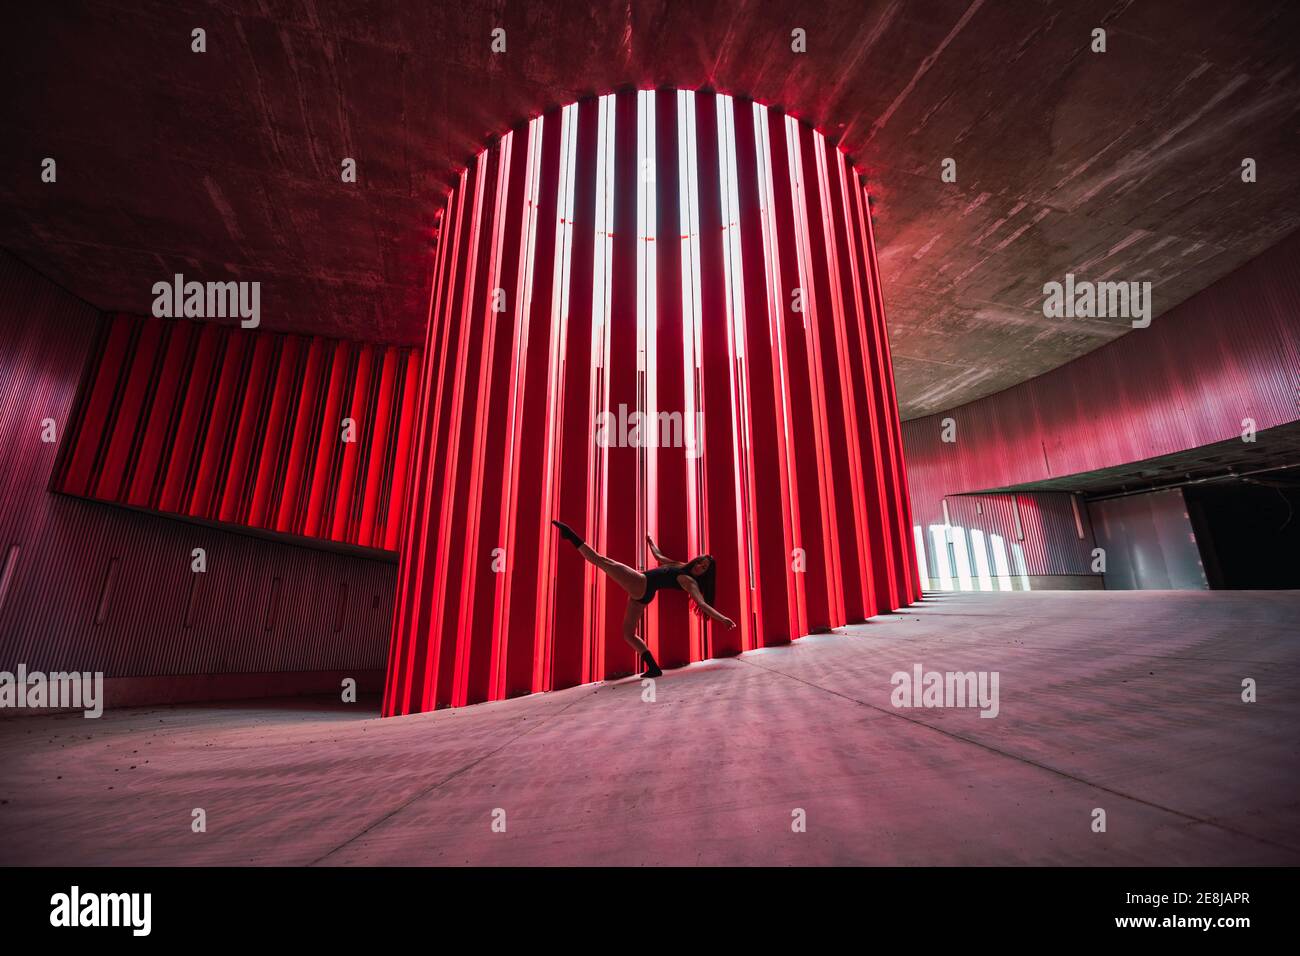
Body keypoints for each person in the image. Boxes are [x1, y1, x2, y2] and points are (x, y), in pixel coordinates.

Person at [551, 519, 736, 678]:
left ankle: (569, 534)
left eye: (703, 568)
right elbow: (658, 556)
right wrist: (650, 541)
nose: (699, 567)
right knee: (628, 634)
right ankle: (654, 668)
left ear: (704, 574)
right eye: (699, 563)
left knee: (602, 561)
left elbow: (702, 604)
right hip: (643, 593)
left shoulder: (690, 582)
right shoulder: (681, 566)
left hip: (642, 583)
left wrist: (722, 618)